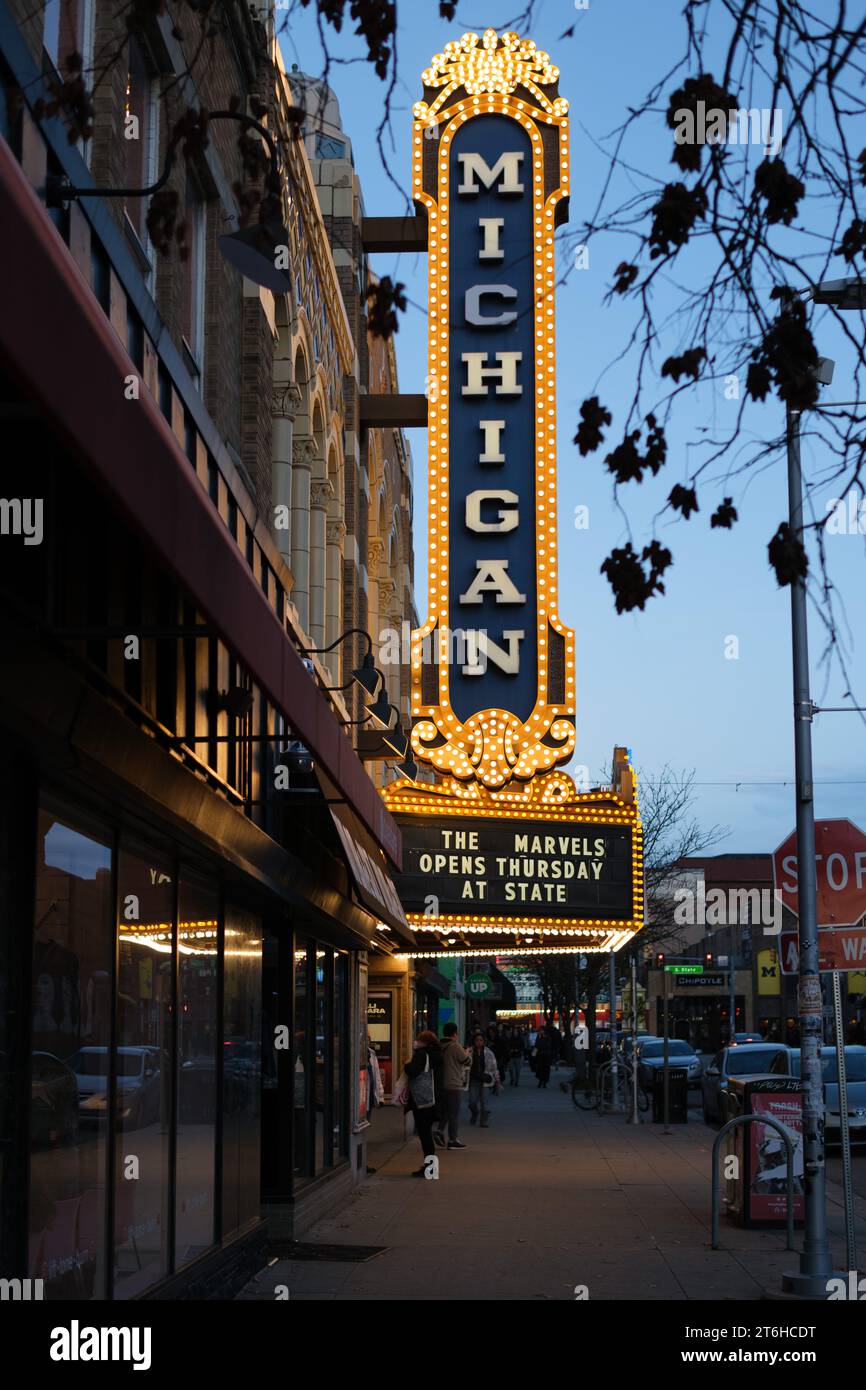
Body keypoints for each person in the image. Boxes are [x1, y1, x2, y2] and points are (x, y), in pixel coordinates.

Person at [402, 1030, 445, 1176]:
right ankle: (431, 1167)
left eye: (419, 1040)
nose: (416, 1042)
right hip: (434, 1099)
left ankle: (431, 1169)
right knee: (427, 1134)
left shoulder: (422, 1055)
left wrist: (407, 1065)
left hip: (422, 1101)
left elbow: (413, 1071)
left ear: (425, 1042)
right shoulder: (438, 1055)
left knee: (425, 1136)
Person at [435, 1021, 470, 1149]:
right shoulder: (455, 1046)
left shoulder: (439, 1045)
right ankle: (452, 1139)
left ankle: (439, 1130)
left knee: (446, 1110)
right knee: (454, 1112)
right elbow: (467, 1061)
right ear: (455, 1034)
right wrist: (467, 1052)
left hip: (440, 1084)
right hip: (453, 1083)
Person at [468, 1030, 499, 1127]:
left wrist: (497, 1080)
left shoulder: (489, 1053)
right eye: (477, 1040)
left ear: (484, 1041)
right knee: (472, 1101)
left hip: (485, 1080)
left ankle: (483, 1121)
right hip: (473, 1080)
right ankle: (475, 1113)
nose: (479, 1042)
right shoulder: (469, 1052)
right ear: (474, 1041)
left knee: (484, 1102)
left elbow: (494, 1067)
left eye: (481, 1040)